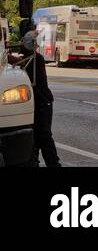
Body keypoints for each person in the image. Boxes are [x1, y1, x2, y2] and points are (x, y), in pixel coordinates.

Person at [11, 20, 61, 168]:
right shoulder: (31, 57)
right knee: (36, 139)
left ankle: (54, 164)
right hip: (37, 103)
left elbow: (18, 62)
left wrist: (7, 56)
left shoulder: (35, 58)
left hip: (42, 103)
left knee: (44, 137)